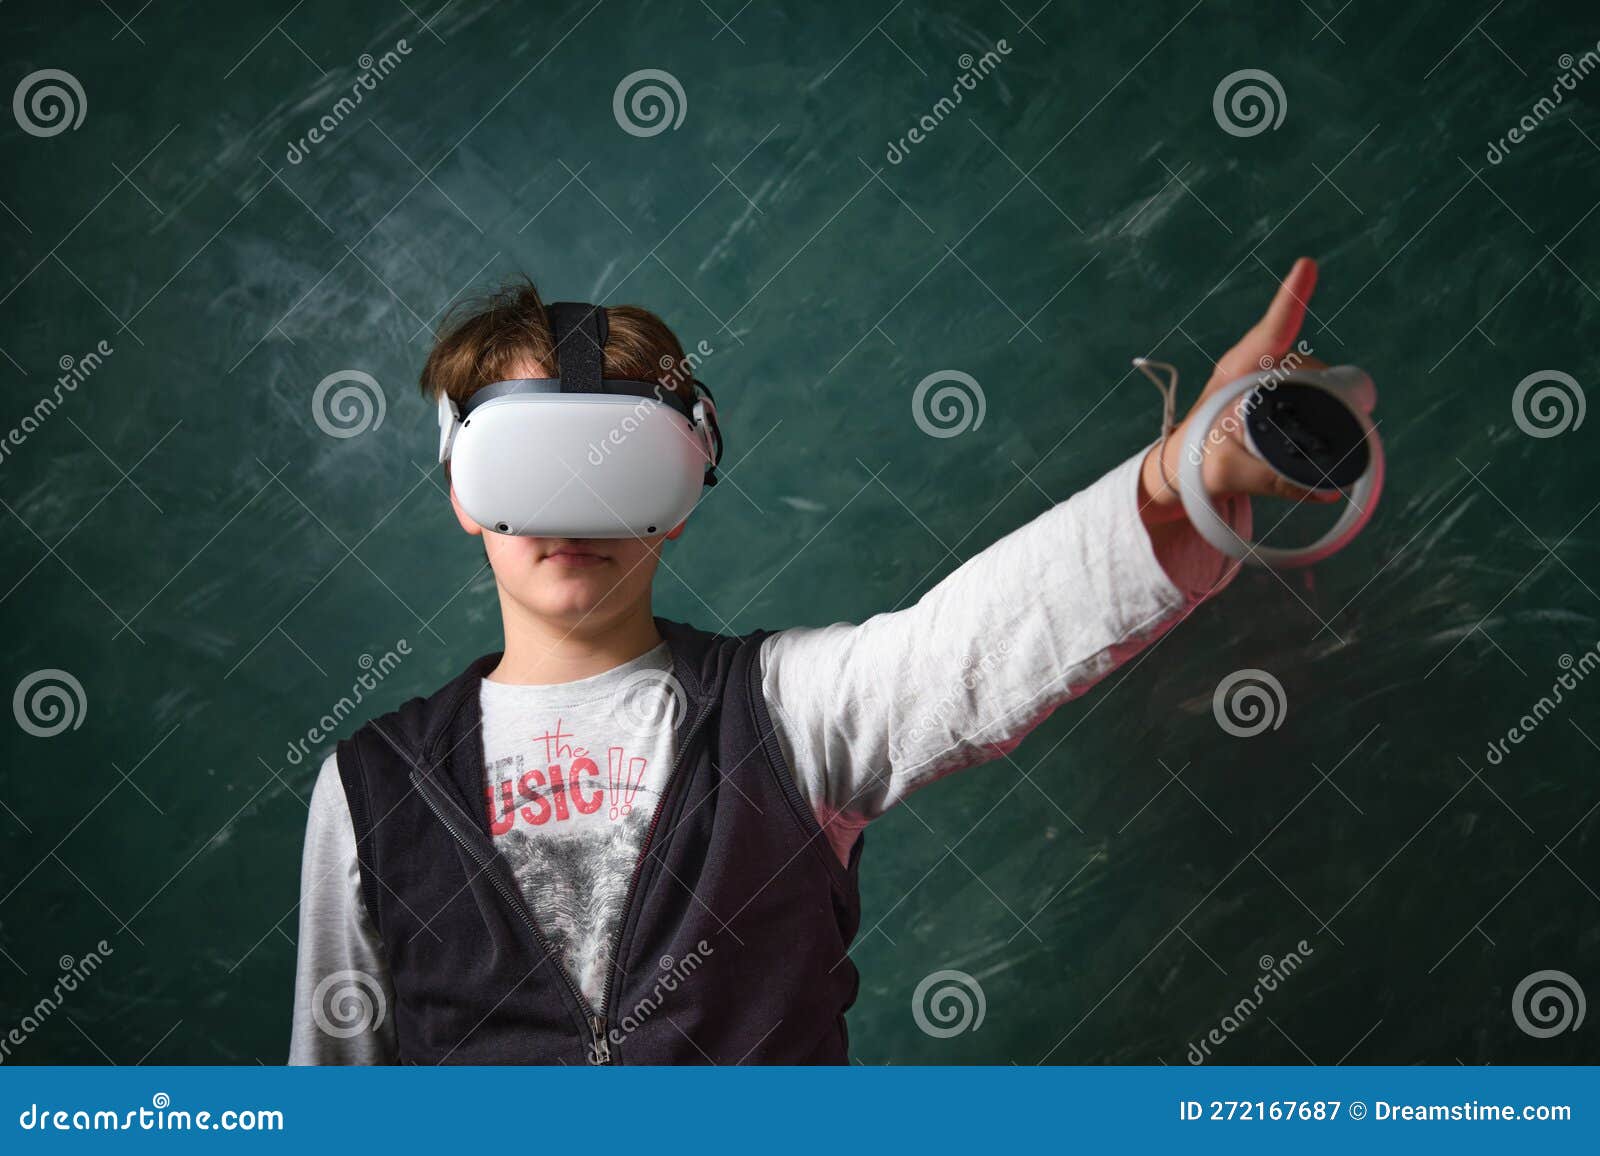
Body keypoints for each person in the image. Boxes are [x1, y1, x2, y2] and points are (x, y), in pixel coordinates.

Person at [289, 258, 1335, 1064]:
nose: (573, 508)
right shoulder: (370, 786)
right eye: (529, 458)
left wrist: (1171, 477)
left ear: (683, 491)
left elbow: (976, 642)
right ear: (463, 488)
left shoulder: (786, 711)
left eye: (615, 460)